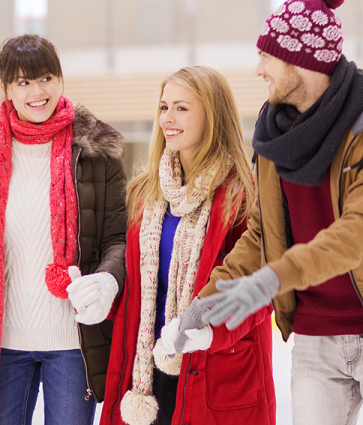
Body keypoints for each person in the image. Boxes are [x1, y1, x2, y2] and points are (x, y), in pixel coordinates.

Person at [178, 0, 363, 425]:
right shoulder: (272, 131)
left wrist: (271, 280)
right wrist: (208, 299)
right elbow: (264, 233)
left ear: (301, 61)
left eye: (266, 57)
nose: (258, 69)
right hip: (316, 336)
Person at [0, 34, 127, 425]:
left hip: (73, 344)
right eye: (23, 82)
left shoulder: (97, 150)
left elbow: (117, 239)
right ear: (6, 88)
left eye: (45, 78)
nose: (36, 91)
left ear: (60, 79)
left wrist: (107, 281)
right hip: (3, 344)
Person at [101, 66, 275, 425]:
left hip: (213, 366)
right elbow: (139, 286)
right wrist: (104, 291)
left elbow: (264, 289)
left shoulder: (243, 195)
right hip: (147, 370)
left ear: (212, 116)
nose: (168, 118)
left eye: (181, 108)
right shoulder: (144, 192)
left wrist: (213, 333)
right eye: (164, 107)